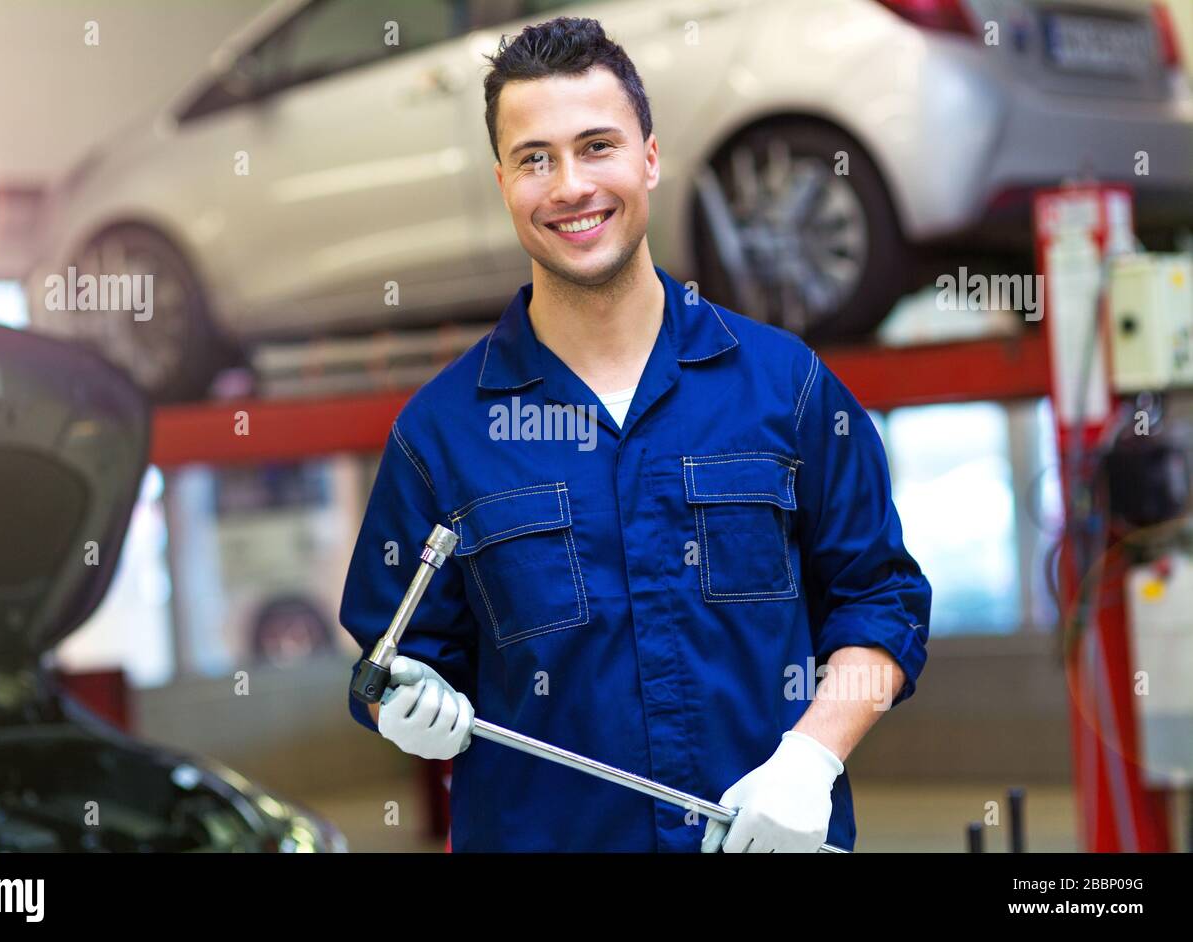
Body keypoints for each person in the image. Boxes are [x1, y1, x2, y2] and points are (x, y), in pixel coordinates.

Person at [339, 16, 931, 852]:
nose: (570, 186)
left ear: (650, 157)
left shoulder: (785, 387)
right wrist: (401, 705)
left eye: (597, 146)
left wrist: (812, 757)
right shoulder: (438, 436)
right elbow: (387, 659)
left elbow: (881, 600)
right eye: (534, 158)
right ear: (502, 180)